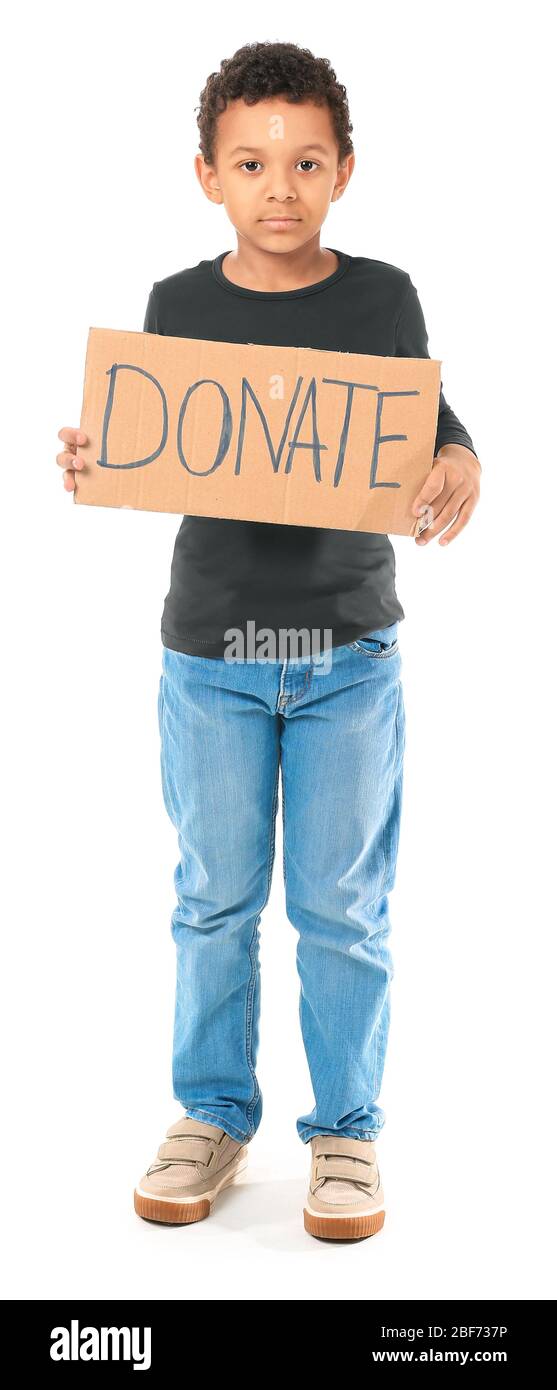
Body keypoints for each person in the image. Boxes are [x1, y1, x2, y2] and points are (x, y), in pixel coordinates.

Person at [56, 41, 481, 1241]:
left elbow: (426, 416)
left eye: (304, 162)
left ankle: (344, 1131)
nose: (278, 187)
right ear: (207, 176)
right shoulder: (178, 306)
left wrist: (460, 457)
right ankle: (211, 1113)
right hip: (211, 657)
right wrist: (99, 458)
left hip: (349, 655)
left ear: (343, 170)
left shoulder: (381, 295)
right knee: (211, 902)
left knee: (343, 908)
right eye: (250, 163)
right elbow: (149, 439)